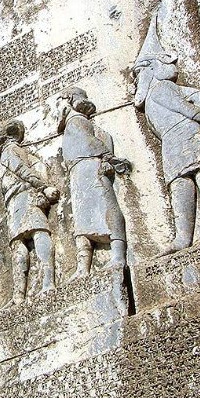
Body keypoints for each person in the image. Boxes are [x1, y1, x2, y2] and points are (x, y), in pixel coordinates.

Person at [131, 0, 200, 251]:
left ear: (152, 68)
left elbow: (188, 107)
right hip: (170, 140)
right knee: (178, 181)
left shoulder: (161, 88)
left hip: (184, 132)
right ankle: (183, 238)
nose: (136, 79)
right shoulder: (151, 92)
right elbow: (193, 97)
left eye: (138, 73)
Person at [56, 87, 131, 278]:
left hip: (89, 166)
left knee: (106, 206)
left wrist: (109, 158)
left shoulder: (76, 120)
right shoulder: (73, 122)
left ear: (68, 100)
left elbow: (91, 141)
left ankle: (118, 256)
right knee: (81, 220)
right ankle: (83, 267)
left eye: (59, 102)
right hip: (78, 172)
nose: (57, 108)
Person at [0, 119, 59, 304]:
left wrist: (43, 187)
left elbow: (23, 170)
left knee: (39, 233)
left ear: (5, 135)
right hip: (14, 201)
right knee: (18, 243)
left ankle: (47, 283)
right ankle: (18, 295)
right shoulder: (10, 151)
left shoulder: (10, 149)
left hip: (25, 194)